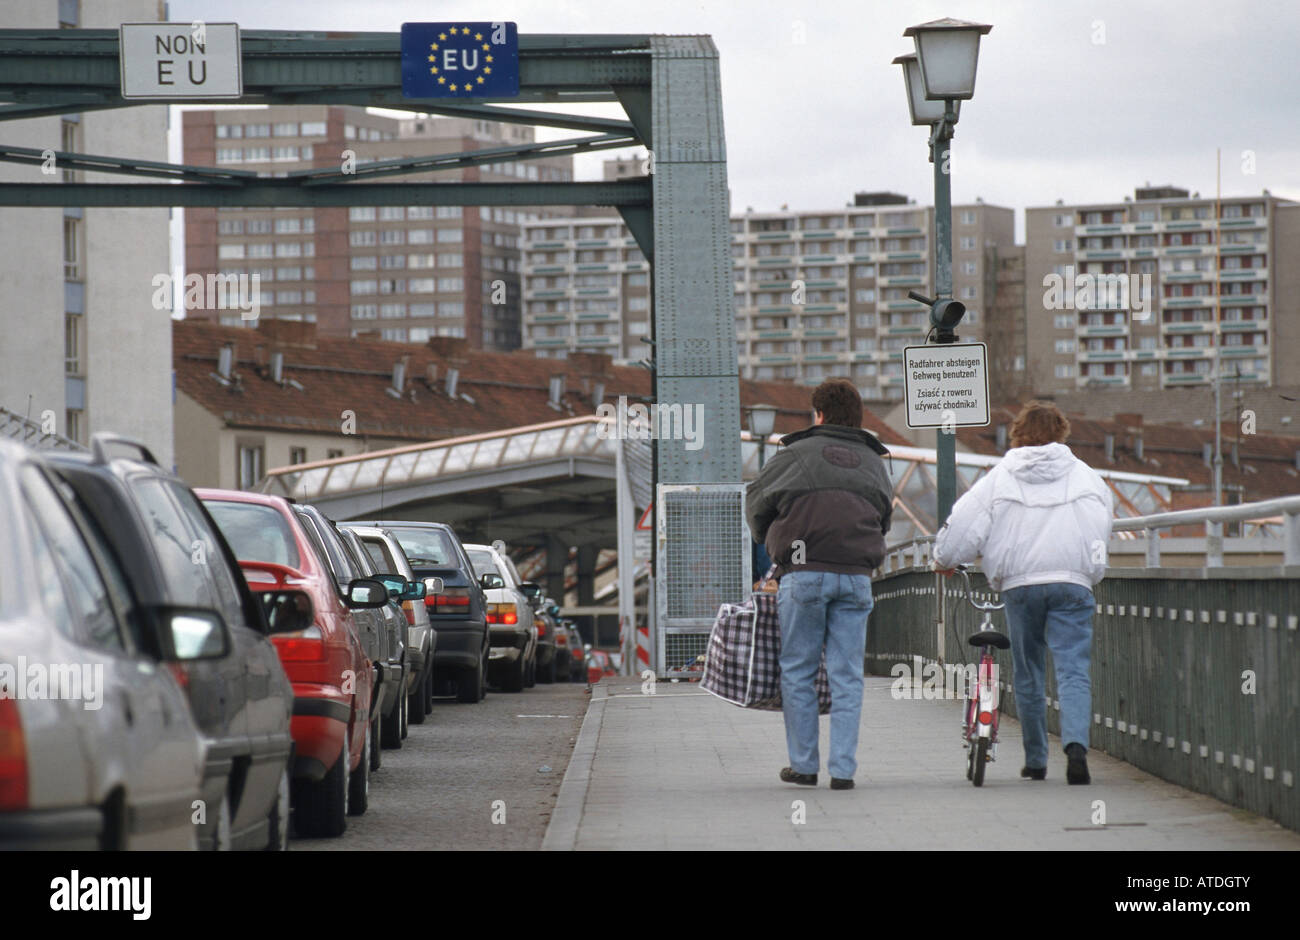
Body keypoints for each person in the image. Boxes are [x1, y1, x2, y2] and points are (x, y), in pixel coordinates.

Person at [932, 400, 1113, 784]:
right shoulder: (1086, 477)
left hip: (1021, 585)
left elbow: (965, 526)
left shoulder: (1000, 477)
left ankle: (1035, 760)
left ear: (1017, 433)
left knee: (1028, 670)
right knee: (1073, 670)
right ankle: (1077, 748)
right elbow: (1101, 527)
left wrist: (944, 558)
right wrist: (1089, 570)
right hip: (1071, 582)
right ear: (1061, 432)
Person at [745, 378, 893, 790]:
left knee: (798, 670)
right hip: (855, 577)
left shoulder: (794, 454)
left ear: (820, 415)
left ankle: (805, 766)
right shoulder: (873, 462)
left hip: (803, 573)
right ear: (856, 418)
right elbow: (885, 518)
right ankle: (843, 771)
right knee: (848, 676)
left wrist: (767, 539)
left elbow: (756, 503)